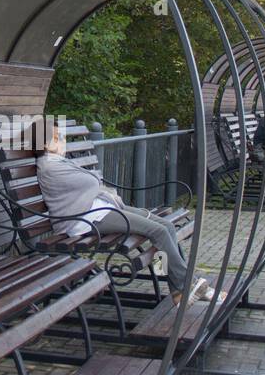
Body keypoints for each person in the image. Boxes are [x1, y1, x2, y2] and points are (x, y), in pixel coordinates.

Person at [34, 124, 226, 304]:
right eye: (58, 137)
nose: (63, 141)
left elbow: (91, 181)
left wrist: (93, 181)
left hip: (100, 208)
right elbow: (93, 181)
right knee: (158, 232)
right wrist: (93, 180)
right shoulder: (50, 166)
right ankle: (185, 285)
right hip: (84, 219)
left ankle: (177, 288)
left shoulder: (58, 161)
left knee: (166, 226)